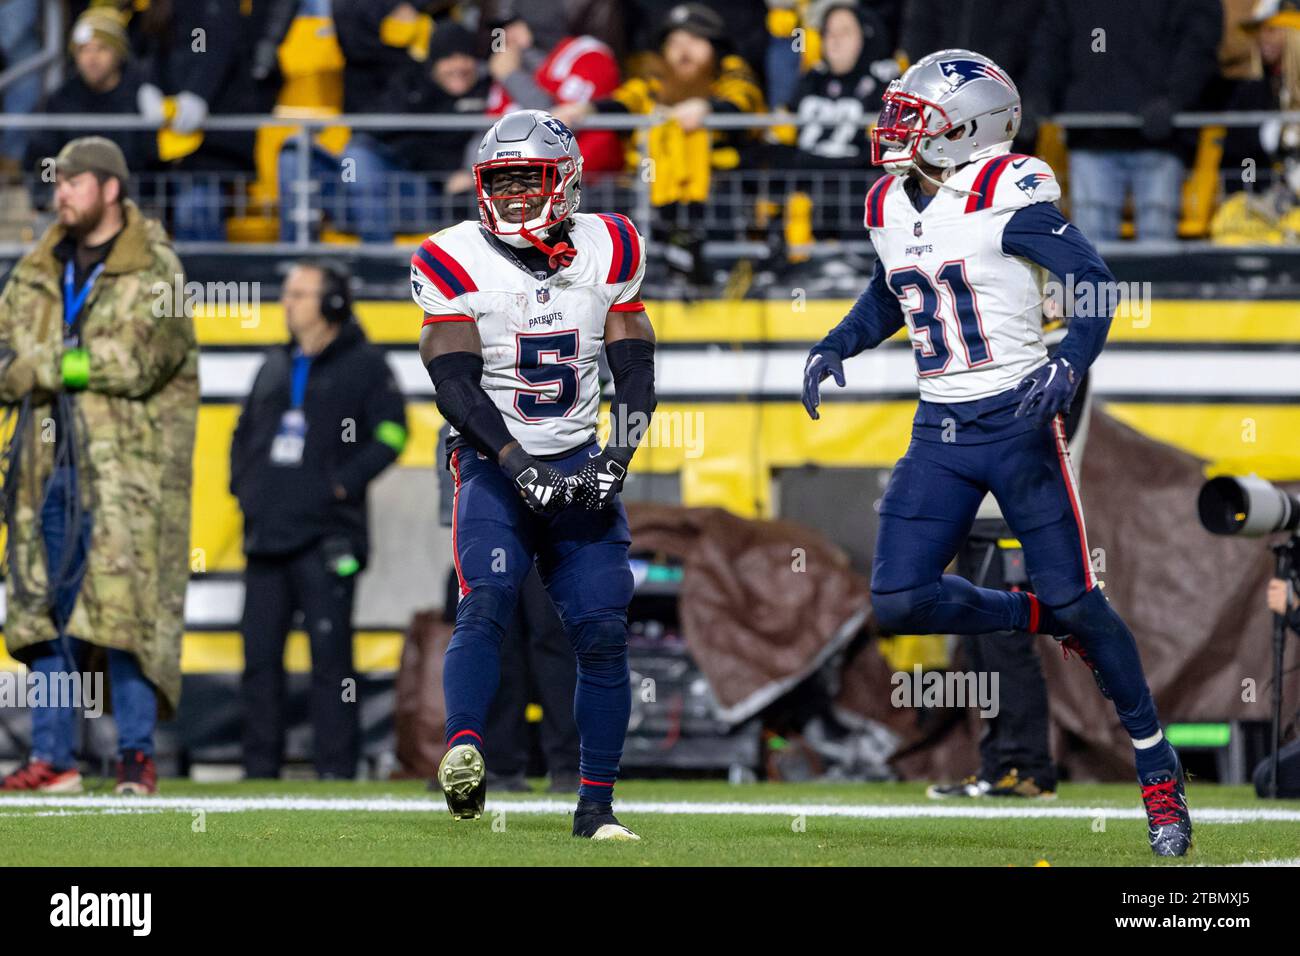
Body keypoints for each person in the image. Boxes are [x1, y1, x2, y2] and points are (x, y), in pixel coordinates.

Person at [801, 51, 1193, 856]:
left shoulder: (1008, 190)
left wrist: (1067, 360)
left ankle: (1157, 768)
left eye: (917, 114)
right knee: (901, 598)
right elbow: (896, 286)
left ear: (969, 126)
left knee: (1083, 603)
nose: (898, 126)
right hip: (939, 428)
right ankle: (1030, 614)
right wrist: (839, 342)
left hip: (1018, 420)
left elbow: (1092, 283)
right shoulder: (887, 202)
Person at [412, 110, 657, 840]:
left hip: (580, 452)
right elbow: (453, 384)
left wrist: (619, 458)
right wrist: (516, 465)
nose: (516, 198)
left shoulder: (611, 245)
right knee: (485, 601)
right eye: (503, 182)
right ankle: (464, 749)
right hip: (492, 459)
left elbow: (635, 368)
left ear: (568, 181)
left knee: (603, 631)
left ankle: (596, 807)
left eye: (531, 180)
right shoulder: (449, 257)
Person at [0, 137, 198, 795]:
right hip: (43, 470)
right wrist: (27, 367)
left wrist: (48, 365)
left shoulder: (156, 267)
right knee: (42, 612)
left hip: (124, 473)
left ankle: (135, 757)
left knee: (125, 611)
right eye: (57, 183)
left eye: (74, 183)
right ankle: (53, 757)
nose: (60, 193)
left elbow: (139, 361)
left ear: (111, 189)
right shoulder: (36, 268)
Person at [230, 260, 407, 780]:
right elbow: (244, 434)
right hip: (266, 537)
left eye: (300, 294)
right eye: (287, 294)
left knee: (332, 664)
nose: (288, 303)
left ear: (331, 304)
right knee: (259, 661)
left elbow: (392, 435)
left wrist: (341, 485)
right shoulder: (275, 364)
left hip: (328, 539)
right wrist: (246, 489)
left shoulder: (366, 365)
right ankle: (258, 770)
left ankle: (336, 770)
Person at [1021, 0, 1222, 243]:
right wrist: (1037, 96)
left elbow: (1199, 38)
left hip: (1158, 137)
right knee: (1095, 254)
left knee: (1156, 251)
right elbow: (1050, 40)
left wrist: (1175, 100)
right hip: (1092, 134)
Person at [23, 8, 155, 176]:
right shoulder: (61, 100)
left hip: (134, 198)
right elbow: (39, 160)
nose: (92, 58)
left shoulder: (143, 96)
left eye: (102, 48)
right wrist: (53, 192)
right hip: (75, 200)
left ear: (119, 53)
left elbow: (154, 163)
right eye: (84, 50)